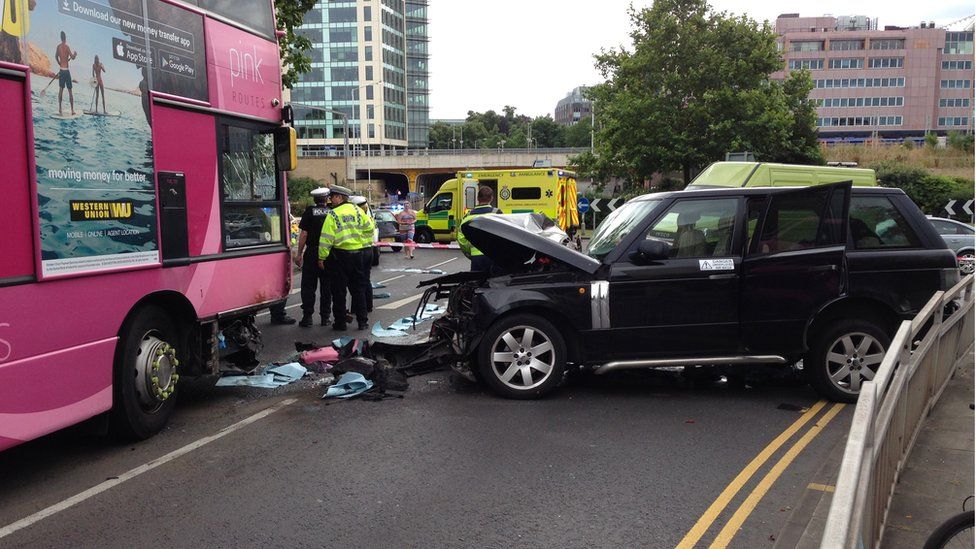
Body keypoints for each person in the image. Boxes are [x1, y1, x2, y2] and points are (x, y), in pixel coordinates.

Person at [318, 185, 372, 331]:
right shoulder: (358, 210)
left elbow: (326, 239)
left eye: (332, 197)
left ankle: (340, 323)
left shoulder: (333, 214)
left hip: (339, 257)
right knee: (358, 290)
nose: (330, 200)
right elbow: (370, 228)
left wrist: (321, 257)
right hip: (358, 255)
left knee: (339, 291)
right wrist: (360, 241)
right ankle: (363, 322)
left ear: (339, 197)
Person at [295, 187, 331, 327]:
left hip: (312, 252)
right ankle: (325, 318)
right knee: (326, 286)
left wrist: (299, 254)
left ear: (315, 199)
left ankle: (307, 317)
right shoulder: (331, 212)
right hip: (327, 253)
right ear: (327, 198)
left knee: (308, 286)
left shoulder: (310, 212)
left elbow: (304, 234)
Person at [457, 186, 501, 272]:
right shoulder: (497, 213)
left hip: (476, 258)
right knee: (495, 282)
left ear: (477, 198)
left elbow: (461, 238)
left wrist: (469, 251)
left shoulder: (468, 216)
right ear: (491, 198)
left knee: (476, 282)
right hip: (494, 256)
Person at [350, 196, 377, 314]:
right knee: (366, 279)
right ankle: (369, 306)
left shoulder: (358, 218)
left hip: (359, 251)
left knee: (356, 281)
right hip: (369, 250)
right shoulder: (368, 217)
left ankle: (357, 308)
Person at [55, 30, 77, 116]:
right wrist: (75, 54)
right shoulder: (67, 47)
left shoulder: (58, 47)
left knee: (61, 90)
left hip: (61, 70)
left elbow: (55, 56)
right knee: (70, 91)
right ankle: (72, 110)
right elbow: (73, 57)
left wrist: (59, 63)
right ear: (65, 38)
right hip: (66, 72)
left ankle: (60, 108)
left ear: (61, 38)